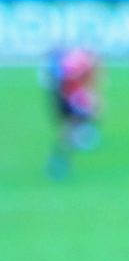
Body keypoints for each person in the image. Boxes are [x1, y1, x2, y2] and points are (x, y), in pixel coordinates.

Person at [45, 46, 101, 177]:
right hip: (69, 99)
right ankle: (62, 157)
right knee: (73, 128)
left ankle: (62, 157)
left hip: (64, 98)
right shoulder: (82, 65)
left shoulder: (72, 64)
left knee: (69, 130)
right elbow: (73, 85)